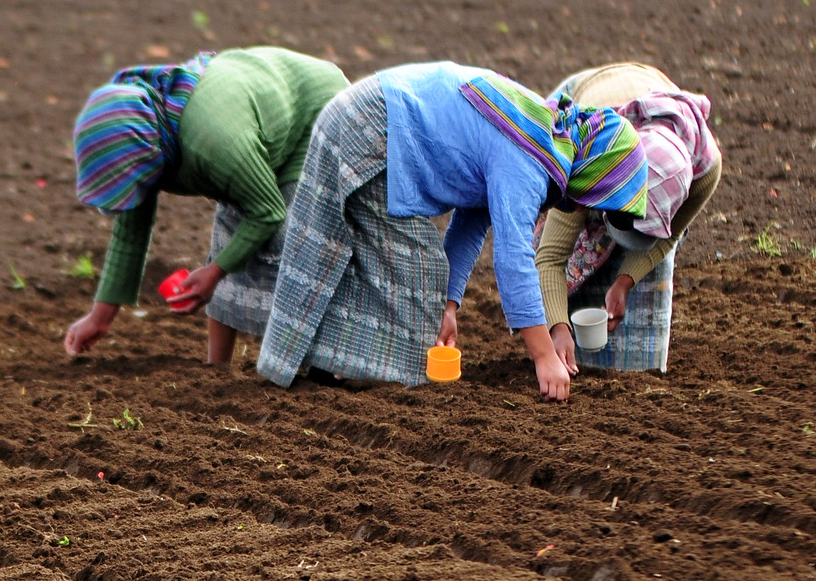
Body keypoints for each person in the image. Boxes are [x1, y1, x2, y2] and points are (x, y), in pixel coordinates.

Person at [256, 62, 645, 401]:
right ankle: (365, 373)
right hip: (371, 123)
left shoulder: (539, 130)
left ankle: (327, 363)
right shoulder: (529, 157)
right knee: (418, 266)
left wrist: (449, 305)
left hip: (366, 115)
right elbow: (513, 260)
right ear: (594, 173)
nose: (587, 211)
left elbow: (471, 222)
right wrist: (544, 357)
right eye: (598, 199)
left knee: (401, 262)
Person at [63, 47, 349, 366]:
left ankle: (327, 362)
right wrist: (99, 318)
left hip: (315, 111)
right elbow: (130, 234)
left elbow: (268, 211)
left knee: (291, 245)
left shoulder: (215, 146)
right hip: (250, 116)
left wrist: (214, 272)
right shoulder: (148, 141)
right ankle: (217, 369)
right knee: (229, 237)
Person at [536, 62, 722, 374]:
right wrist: (558, 327)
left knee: (645, 277)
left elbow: (670, 235)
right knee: (554, 227)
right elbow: (551, 255)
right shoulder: (585, 151)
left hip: (649, 89)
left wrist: (624, 282)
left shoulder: (705, 168)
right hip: (586, 96)